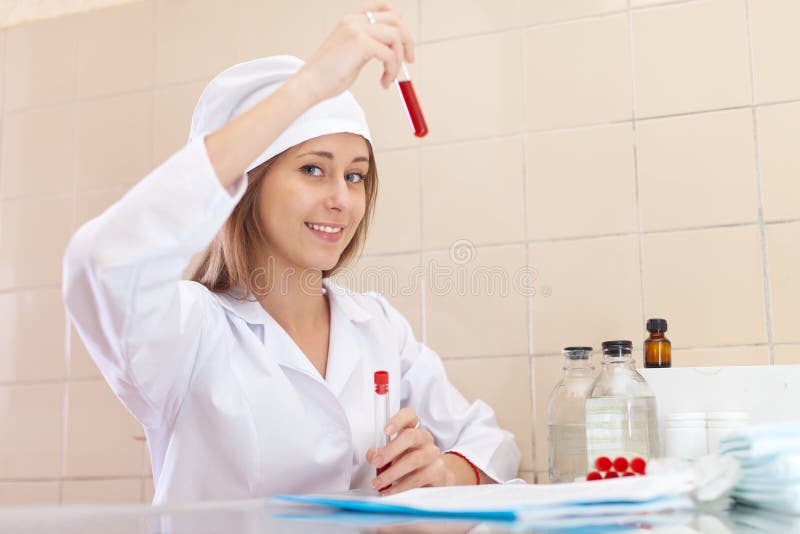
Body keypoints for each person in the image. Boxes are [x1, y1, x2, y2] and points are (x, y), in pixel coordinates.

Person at [62, 0, 520, 504]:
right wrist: (307, 88)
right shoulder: (188, 332)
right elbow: (103, 263)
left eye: (355, 175)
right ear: (247, 184)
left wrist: (442, 473)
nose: (342, 200)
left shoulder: (378, 327)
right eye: (312, 169)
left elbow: (491, 443)